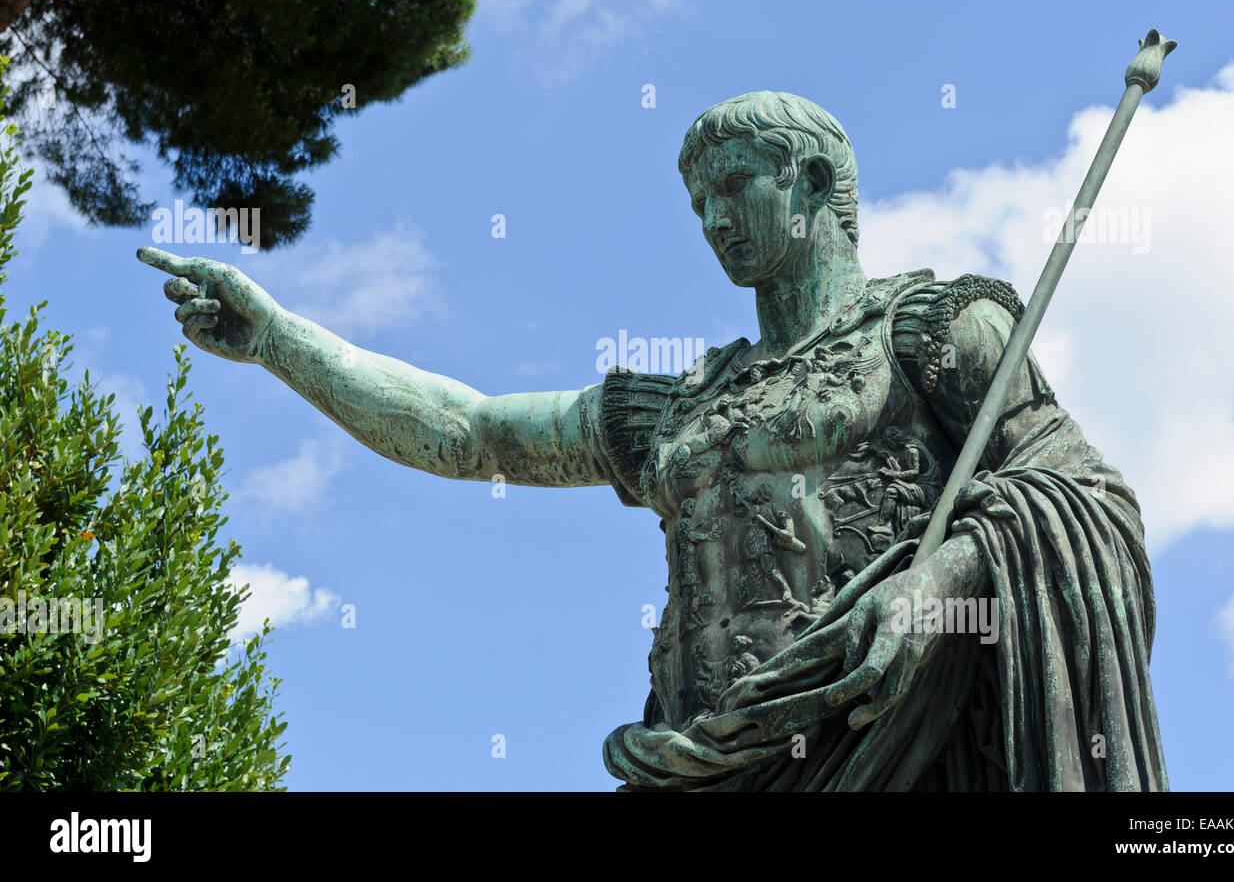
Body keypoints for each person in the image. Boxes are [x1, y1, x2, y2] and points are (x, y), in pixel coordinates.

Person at [139, 91, 1168, 791]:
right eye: (696, 201)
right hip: (700, 757)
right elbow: (477, 433)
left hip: (883, 746)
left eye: (733, 188)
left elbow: (1082, 500)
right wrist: (280, 339)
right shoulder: (681, 404)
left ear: (811, 184)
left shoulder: (936, 331)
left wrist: (938, 578)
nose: (712, 219)